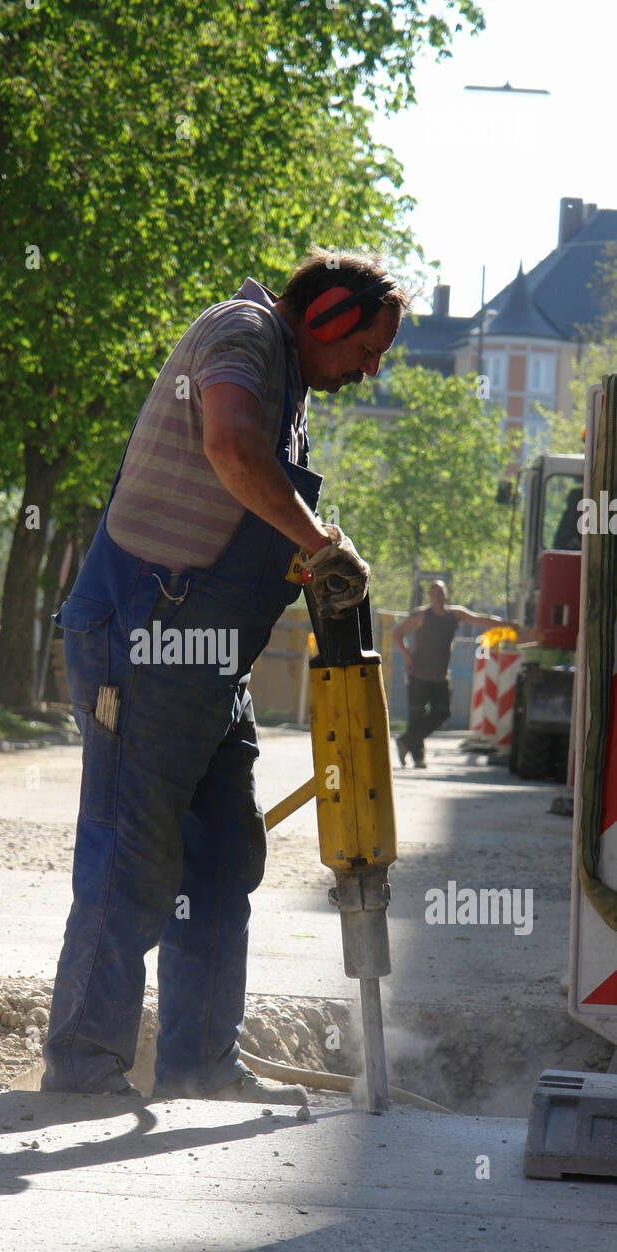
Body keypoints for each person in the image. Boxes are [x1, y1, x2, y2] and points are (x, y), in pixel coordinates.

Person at [41, 250, 409, 1105]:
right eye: (367, 347)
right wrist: (318, 546)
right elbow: (232, 449)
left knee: (221, 861)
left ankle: (201, 1065)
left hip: (204, 655)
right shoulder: (241, 334)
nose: (370, 368)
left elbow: (254, 490)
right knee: (133, 855)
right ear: (324, 319)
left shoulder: (290, 382)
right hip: (144, 634)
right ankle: (84, 1063)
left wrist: (313, 553)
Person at [393, 582, 500, 768]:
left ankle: (406, 741)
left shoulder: (454, 615)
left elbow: (479, 619)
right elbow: (397, 633)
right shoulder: (420, 615)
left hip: (440, 675)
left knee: (442, 712)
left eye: (440, 593)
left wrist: (505, 625)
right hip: (418, 673)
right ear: (429, 596)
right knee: (416, 715)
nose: (436, 597)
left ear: (446, 595)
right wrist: (407, 655)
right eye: (433, 593)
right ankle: (418, 757)